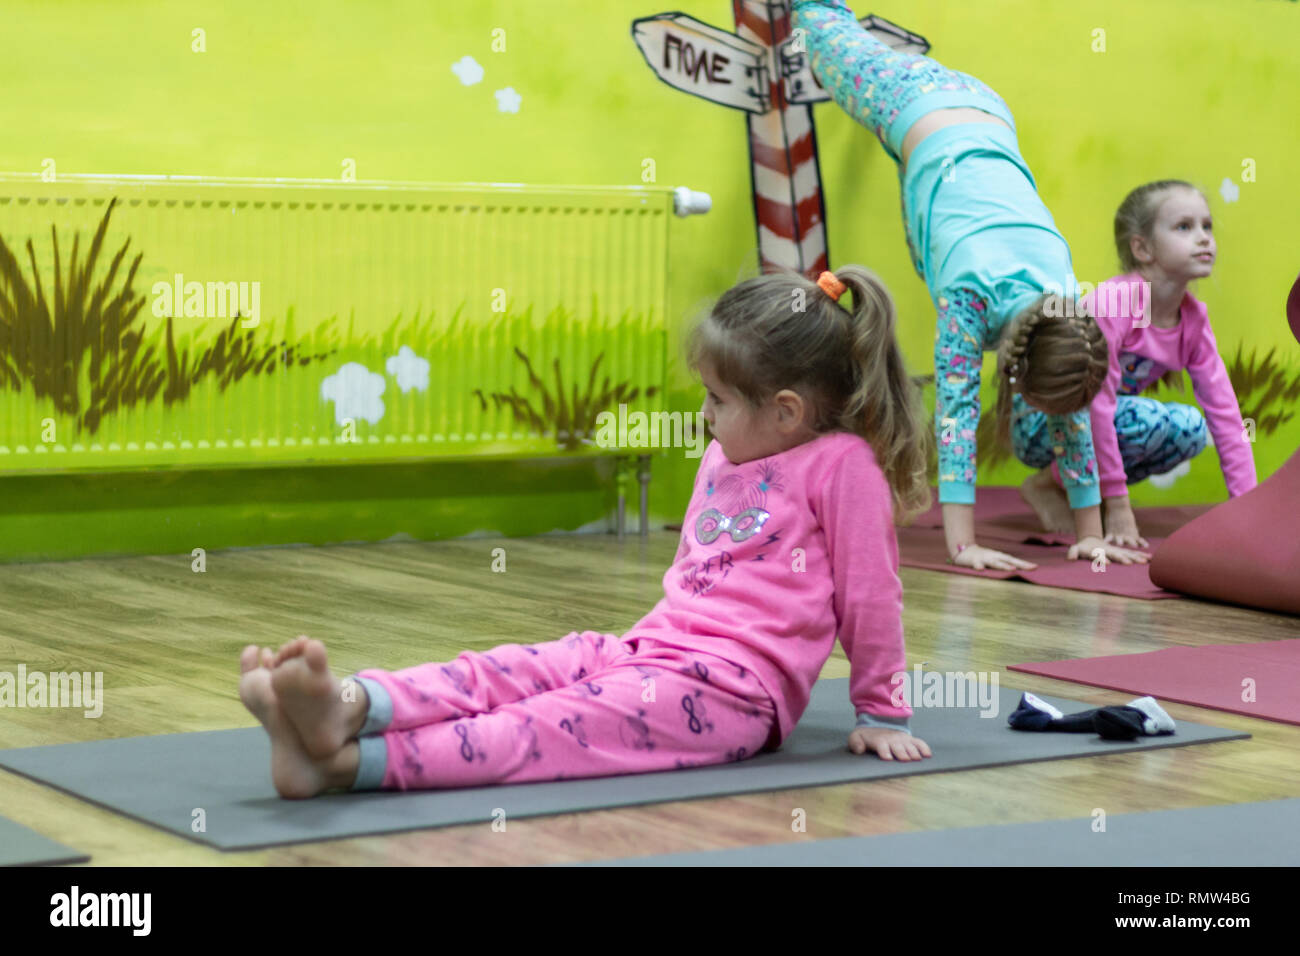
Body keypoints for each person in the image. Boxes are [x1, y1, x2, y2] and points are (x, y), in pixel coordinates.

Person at [238, 265, 933, 797]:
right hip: (644, 646)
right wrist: (638, 652)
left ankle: (343, 767)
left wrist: (881, 712)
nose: (705, 413)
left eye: (718, 399)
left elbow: (872, 597)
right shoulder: (727, 452)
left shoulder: (844, 468)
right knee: (508, 668)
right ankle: (349, 708)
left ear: (785, 411)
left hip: (732, 694)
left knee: (547, 725)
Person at [791, 0, 1149, 568]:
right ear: (1016, 367)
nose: (1057, 420)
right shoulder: (969, 296)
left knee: (923, 227)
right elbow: (955, 415)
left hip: (984, 112)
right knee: (817, 25)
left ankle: (878, 55)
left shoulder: (1067, 310)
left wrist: (1092, 534)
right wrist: (963, 544)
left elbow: (1075, 418)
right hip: (917, 106)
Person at [1055, 180, 1255, 545]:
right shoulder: (1114, 303)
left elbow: (1225, 413)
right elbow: (1096, 403)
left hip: (1107, 419)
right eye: (1184, 227)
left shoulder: (1193, 318)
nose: (1203, 238)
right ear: (1142, 248)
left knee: (1191, 430)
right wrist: (1117, 506)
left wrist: (1248, 509)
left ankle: (1054, 482)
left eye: (1207, 226)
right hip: (1047, 417)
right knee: (1142, 419)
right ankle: (1066, 480)